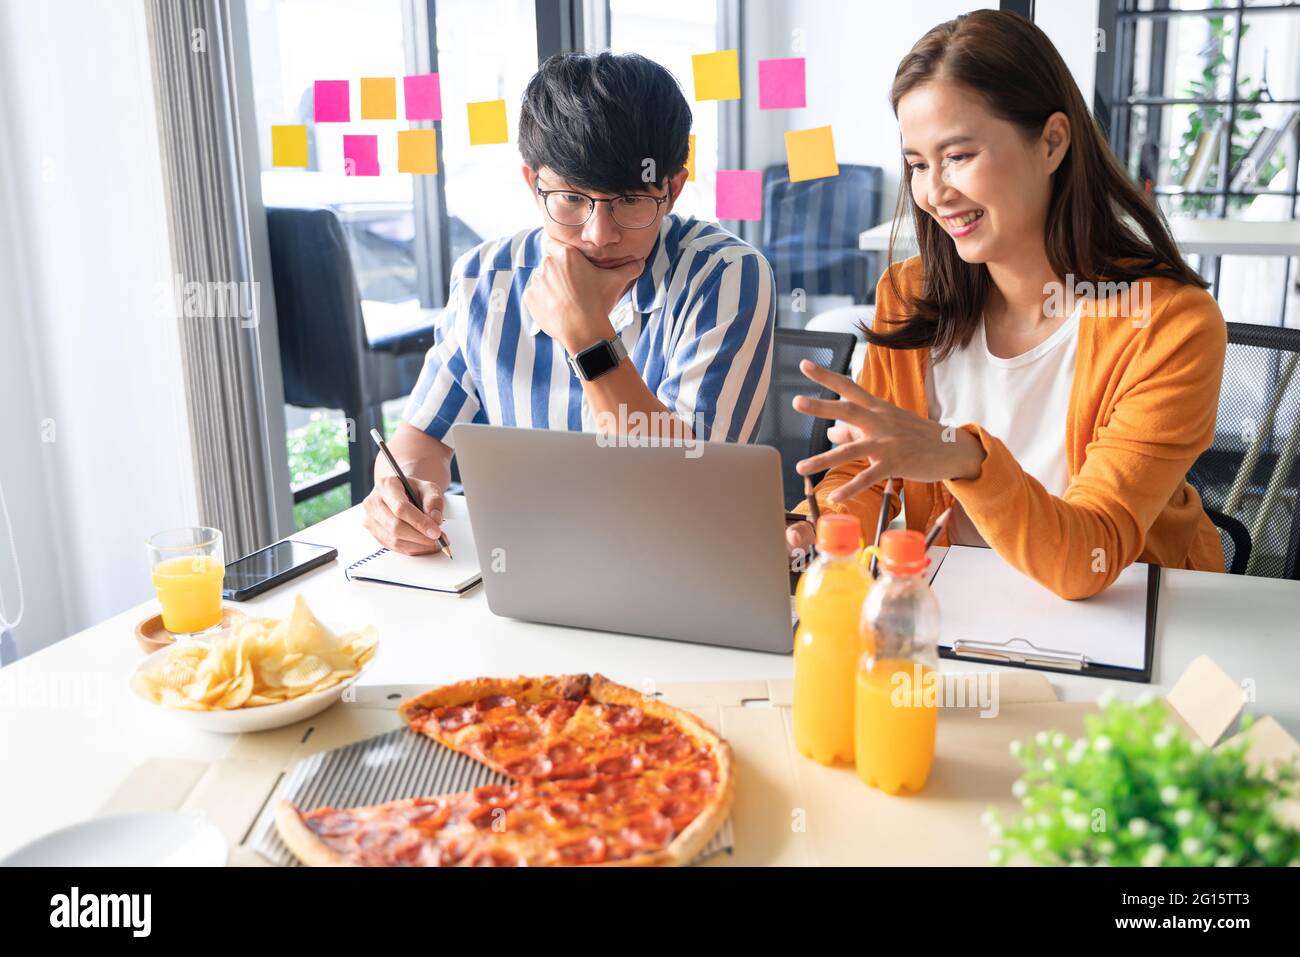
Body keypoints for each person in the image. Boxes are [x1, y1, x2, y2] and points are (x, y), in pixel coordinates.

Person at [788, 10, 1226, 599]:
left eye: (959, 156)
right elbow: (866, 471)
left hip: (1129, 619)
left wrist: (960, 456)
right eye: (917, 165)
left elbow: (1088, 558)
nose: (934, 193)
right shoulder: (909, 296)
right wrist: (817, 531)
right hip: (960, 610)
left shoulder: (1170, 325)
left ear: (1051, 143)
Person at [364, 52, 775, 555]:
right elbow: (423, 438)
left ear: (672, 190)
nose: (599, 234)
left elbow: (692, 494)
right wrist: (404, 493)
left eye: (630, 201)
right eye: (573, 199)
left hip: (669, 564)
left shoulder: (724, 276)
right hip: (519, 565)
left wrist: (587, 336)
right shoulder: (486, 279)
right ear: (533, 184)